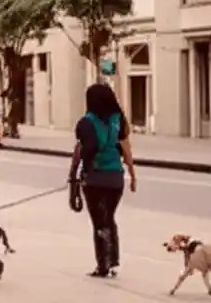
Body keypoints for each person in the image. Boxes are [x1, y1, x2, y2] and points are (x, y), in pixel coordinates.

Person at [68, 83, 137, 279]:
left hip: (95, 178)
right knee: (110, 218)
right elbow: (126, 148)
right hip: (116, 178)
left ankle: (103, 264)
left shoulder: (85, 123)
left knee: (99, 222)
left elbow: (82, 151)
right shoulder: (119, 120)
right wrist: (132, 175)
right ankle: (114, 261)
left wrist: (75, 175)